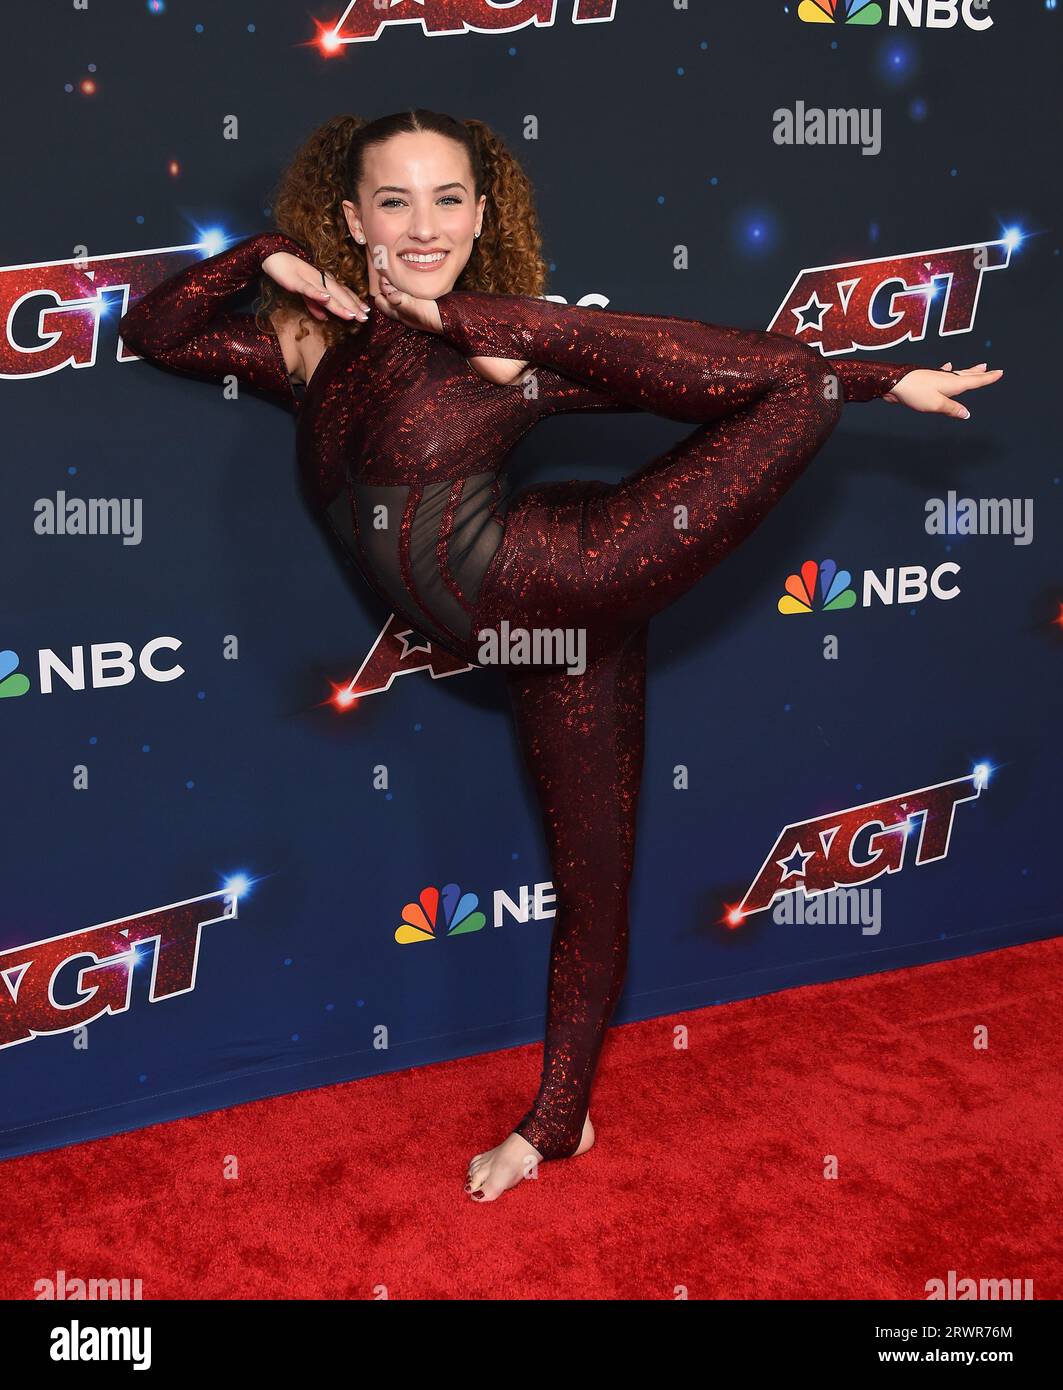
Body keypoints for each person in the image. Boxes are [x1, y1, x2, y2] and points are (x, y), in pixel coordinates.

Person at [118, 109, 1002, 1202]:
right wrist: (266, 258)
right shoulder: (309, 350)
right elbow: (154, 332)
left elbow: (726, 367)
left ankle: (547, 1119)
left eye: (449, 198)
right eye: (394, 199)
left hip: (583, 569)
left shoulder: (502, 350)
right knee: (592, 872)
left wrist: (880, 380)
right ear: (347, 217)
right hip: (540, 643)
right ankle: (560, 1125)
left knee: (801, 388)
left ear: (483, 214)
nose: (424, 222)